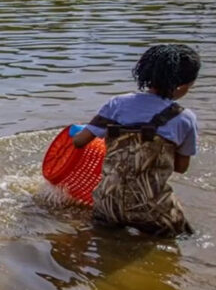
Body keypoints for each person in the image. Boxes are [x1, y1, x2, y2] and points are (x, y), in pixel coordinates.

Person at [72, 44, 201, 237]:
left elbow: (79, 142)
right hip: (152, 209)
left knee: (104, 242)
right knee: (187, 238)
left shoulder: (116, 104)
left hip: (108, 204)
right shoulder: (184, 118)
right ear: (184, 85)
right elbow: (181, 167)